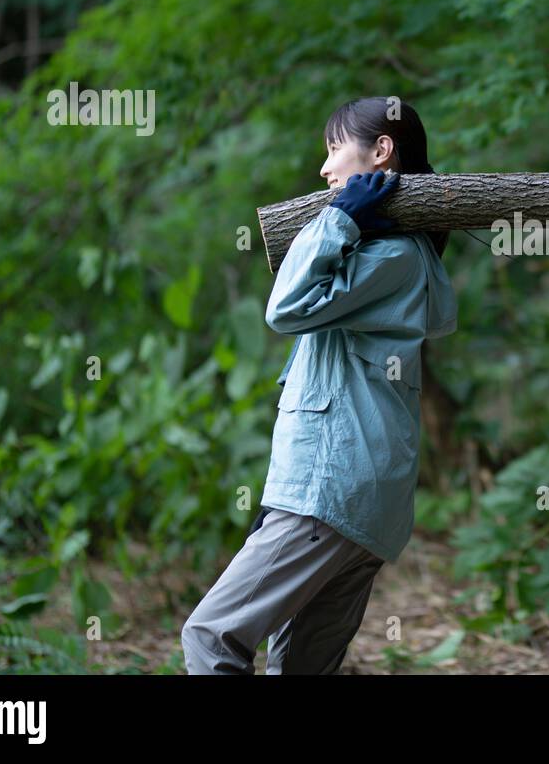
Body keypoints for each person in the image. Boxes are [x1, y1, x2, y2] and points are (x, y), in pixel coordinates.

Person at [182, 97, 458, 674]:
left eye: (336, 148)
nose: (325, 169)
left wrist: (339, 219)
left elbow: (284, 308)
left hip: (331, 490)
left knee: (211, 637)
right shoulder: (395, 256)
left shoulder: (392, 256)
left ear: (381, 152)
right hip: (352, 497)